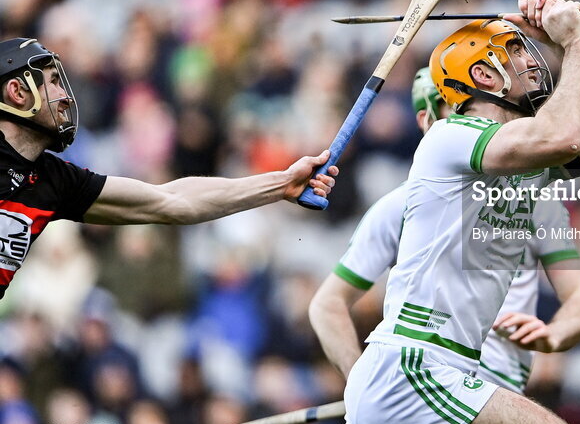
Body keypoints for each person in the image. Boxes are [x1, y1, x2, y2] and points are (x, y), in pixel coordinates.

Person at [316, 0, 580, 424]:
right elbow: (565, 137)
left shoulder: (532, 169)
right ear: (483, 75)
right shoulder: (450, 136)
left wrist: (575, 44)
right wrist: (573, 42)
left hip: (419, 374)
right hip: (419, 367)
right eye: (515, 52)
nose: (531, 60)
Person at [308, 67, 580, 394]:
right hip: (434, 378)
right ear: (427, 121)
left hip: (503, 389)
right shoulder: (399, 206)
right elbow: (328, 304)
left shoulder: (538, 198)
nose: (478, 117)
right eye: (456, 107)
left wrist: (554, 335)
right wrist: (359, 383)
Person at [0, 37, 337, 300]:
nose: (65, 96)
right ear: (17, 91)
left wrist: (281, 184)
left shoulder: (54, 181)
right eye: (53, 82)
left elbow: (174, 201)